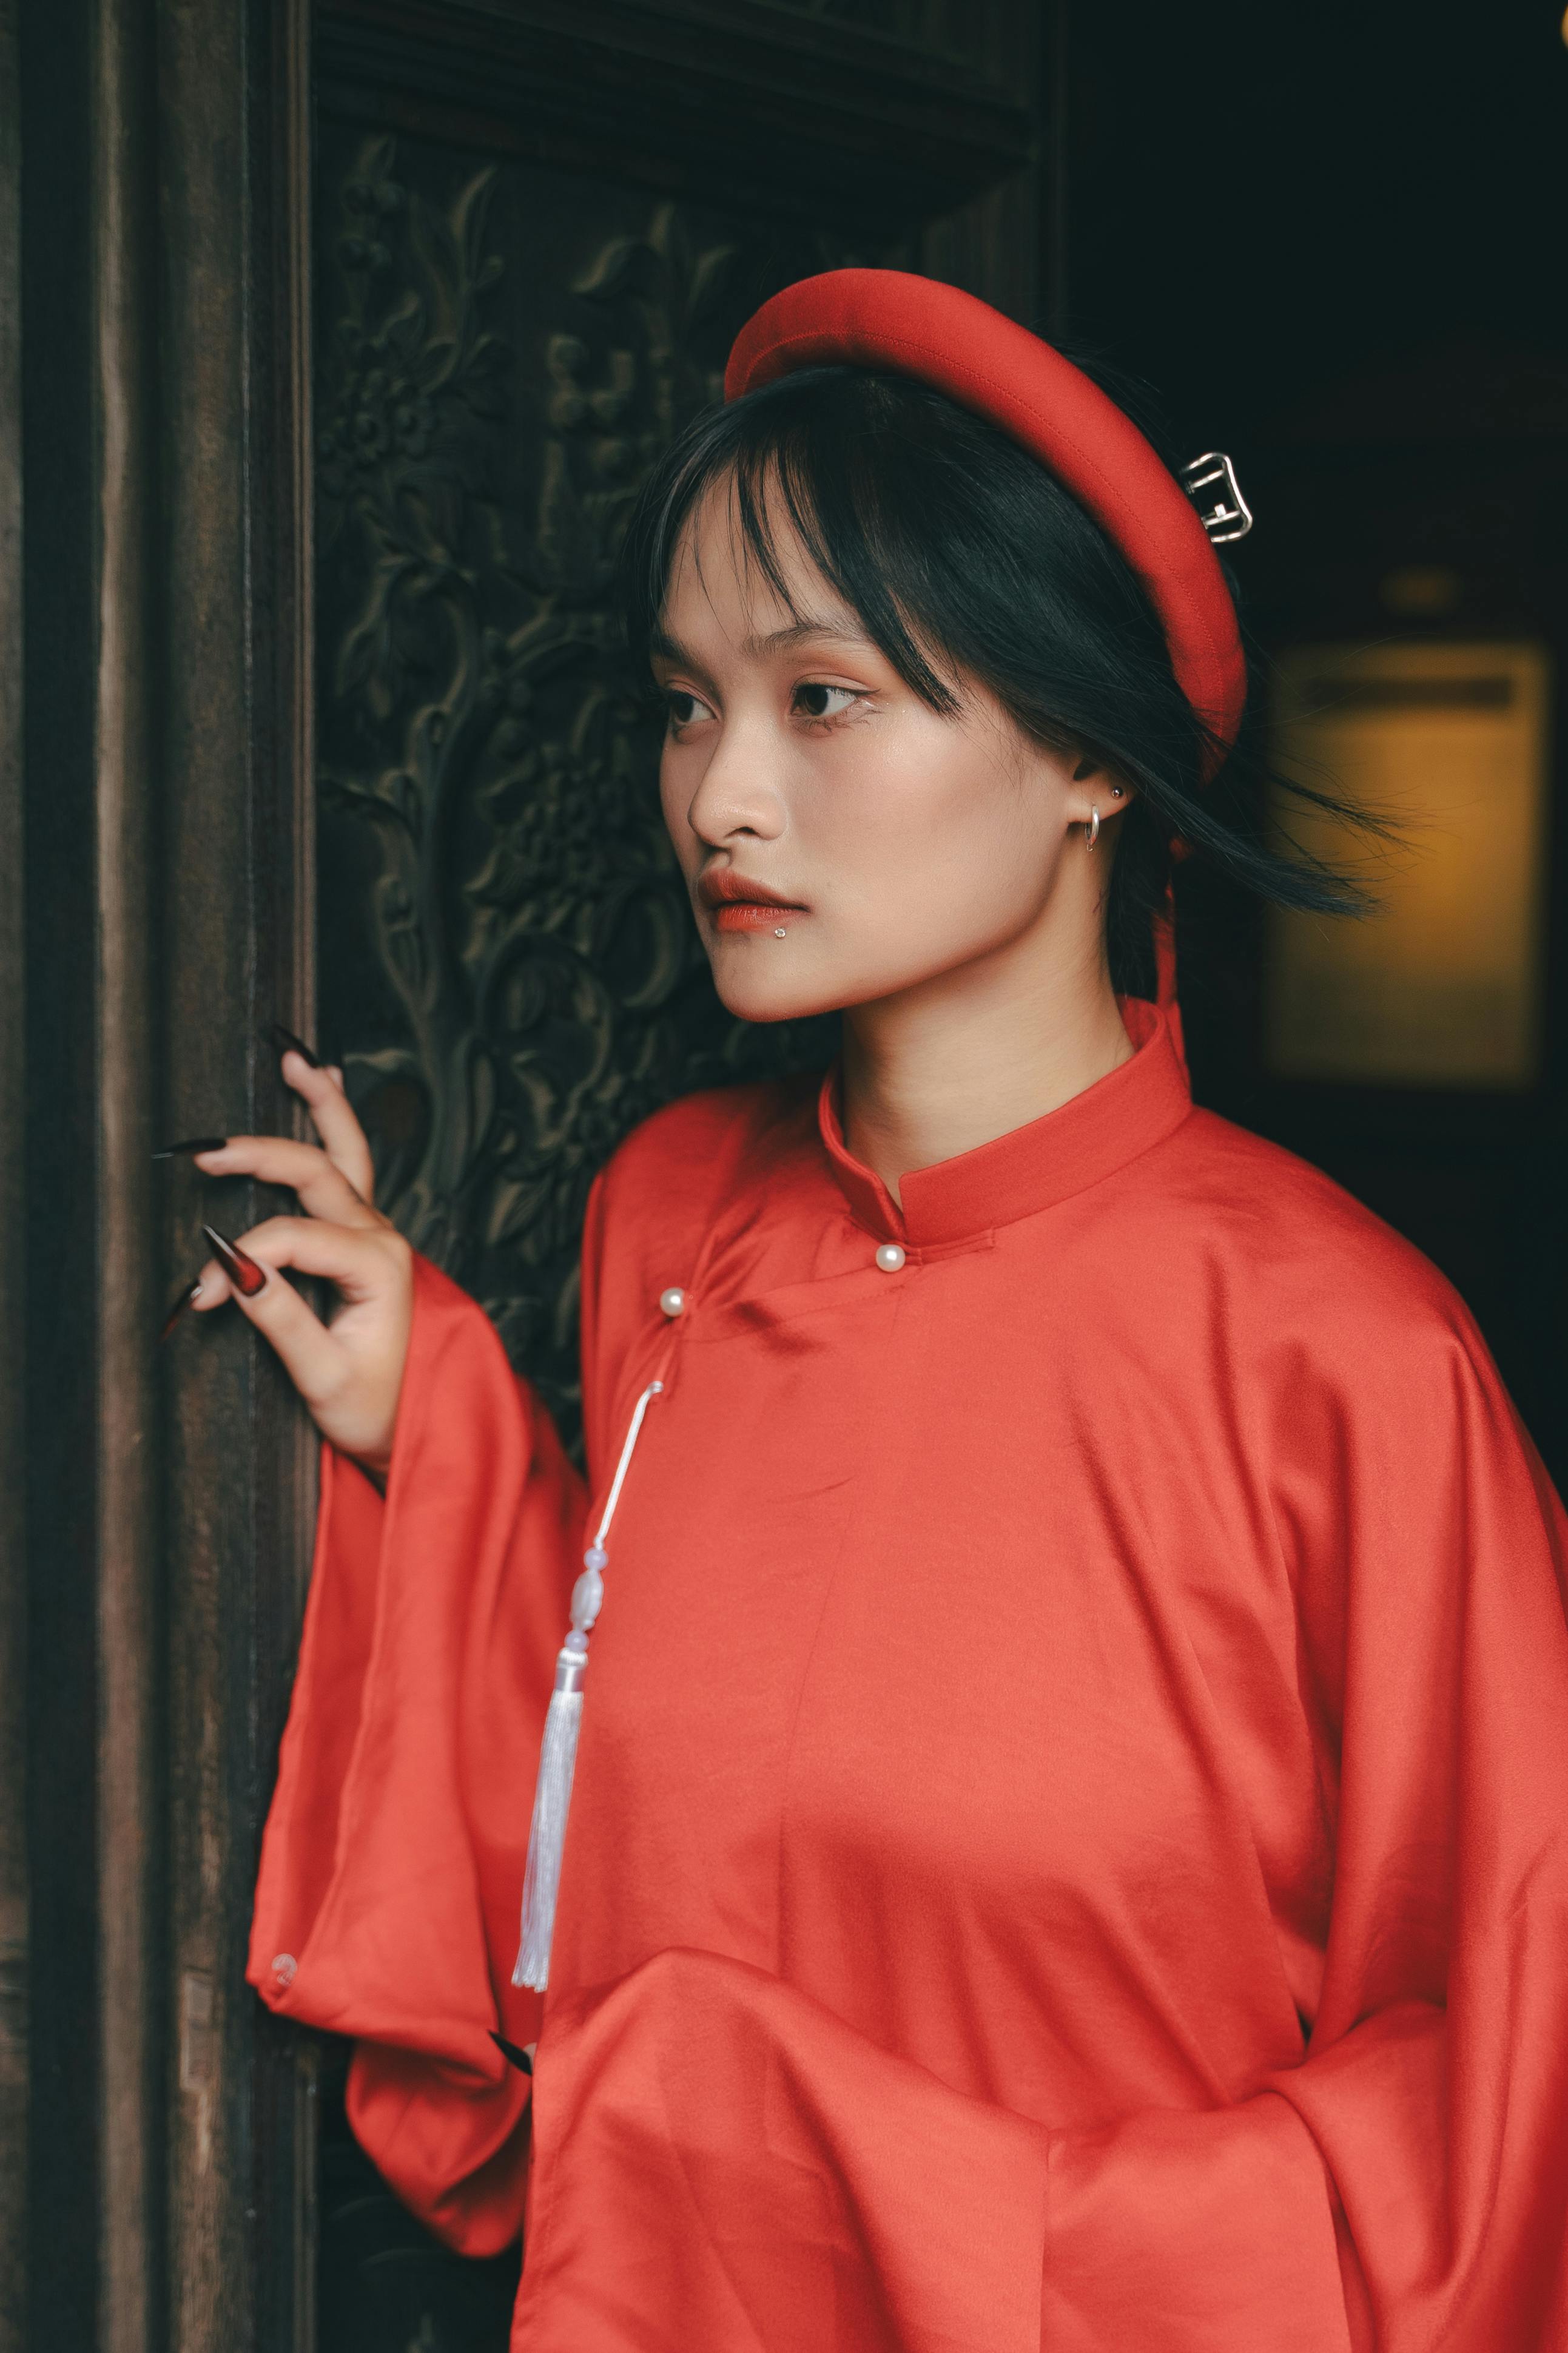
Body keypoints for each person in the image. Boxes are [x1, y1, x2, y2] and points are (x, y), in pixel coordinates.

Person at [174, 274, 1568, 2348]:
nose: (720, 798)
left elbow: (1497, 2104)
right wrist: (431, 1417)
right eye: (681, 702)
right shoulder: (670, 1216)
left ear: (1090, 749)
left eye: (818, 698)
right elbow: (596, 1823)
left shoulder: (1347, 1363)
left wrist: (959, 2221)